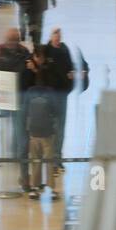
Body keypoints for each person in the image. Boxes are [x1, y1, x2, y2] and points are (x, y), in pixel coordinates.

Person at [0, 28, 36, 193]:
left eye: (15, 40)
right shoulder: (0, 51)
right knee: (13, 131)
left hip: (20, 101)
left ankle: (23, 173)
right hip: (6, 98)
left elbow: (32, 76)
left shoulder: (23, 52)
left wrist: (32, 68)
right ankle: (13, 154)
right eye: (11, 40)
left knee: (21, 134)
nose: (12, 43)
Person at [22, 59, 59, 199]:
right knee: (49, 161)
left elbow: (25, 110)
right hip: (47, 132)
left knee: (35, 160)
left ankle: (34, 188)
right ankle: (50, 188)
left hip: (34, 131)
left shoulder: (30, 91)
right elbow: (56, 110)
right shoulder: (50, 92)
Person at [41, 28, 75, 170]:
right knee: (51, 127)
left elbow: (71, 67)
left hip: (62, 94)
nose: (57, 38)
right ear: (51, 37)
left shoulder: (65, 49)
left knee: (60, 127)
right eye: (55, 35)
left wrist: (71, 79)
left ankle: (57, 158)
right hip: (49, 96)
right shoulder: (46, 50)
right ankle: (49, 157)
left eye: (59, 36)